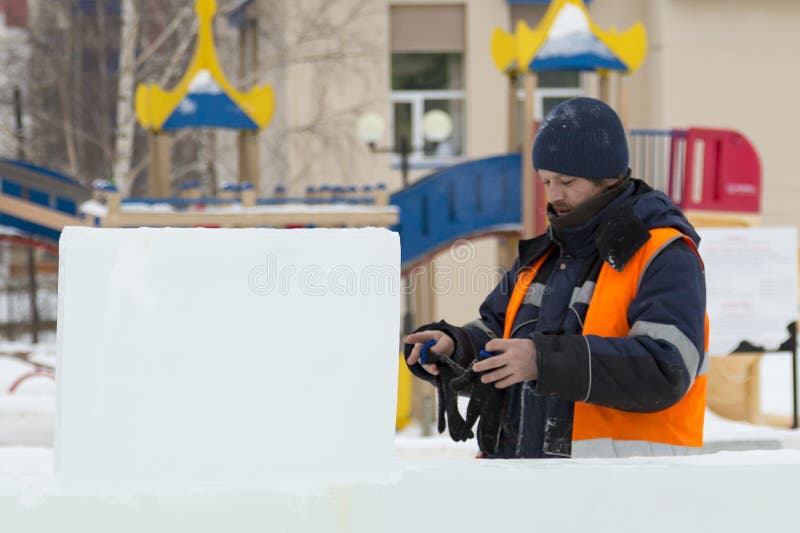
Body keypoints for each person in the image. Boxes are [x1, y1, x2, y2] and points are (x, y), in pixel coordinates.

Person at [404, 97, 708, 459]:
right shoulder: (544, 255)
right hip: (531, 489)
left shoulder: (664, 254)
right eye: (546, 180)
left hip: (626, 497)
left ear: (609, 177)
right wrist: (455, 349)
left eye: (567, 181)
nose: (554, 195)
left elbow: (666, 367)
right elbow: (496, 338)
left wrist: (543, 361)